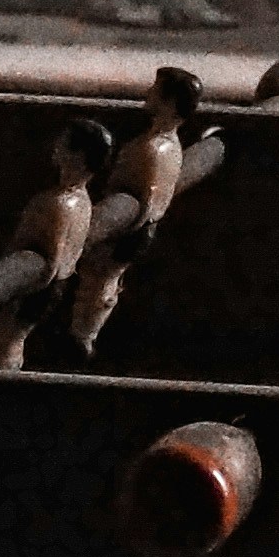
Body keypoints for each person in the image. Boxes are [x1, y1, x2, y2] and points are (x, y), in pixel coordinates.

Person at [67, 66, 204, 355]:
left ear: (168, 101)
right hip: (132, 228)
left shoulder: (155, 149)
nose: (148, 94)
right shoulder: (163, 144)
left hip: (129, 230)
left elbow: (146, 200)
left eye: (156, 90)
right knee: (98, 282)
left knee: (98, 285)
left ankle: (82, 337)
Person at [0, 117, 114, 370]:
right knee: (10, 342)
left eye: (63, 143)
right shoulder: (83, 200)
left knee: (2, 343)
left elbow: (50, 263)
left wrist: (9, 291)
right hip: (50, 290)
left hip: (30, 291)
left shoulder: (56, 203)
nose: (56, 147)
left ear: (79, 155)